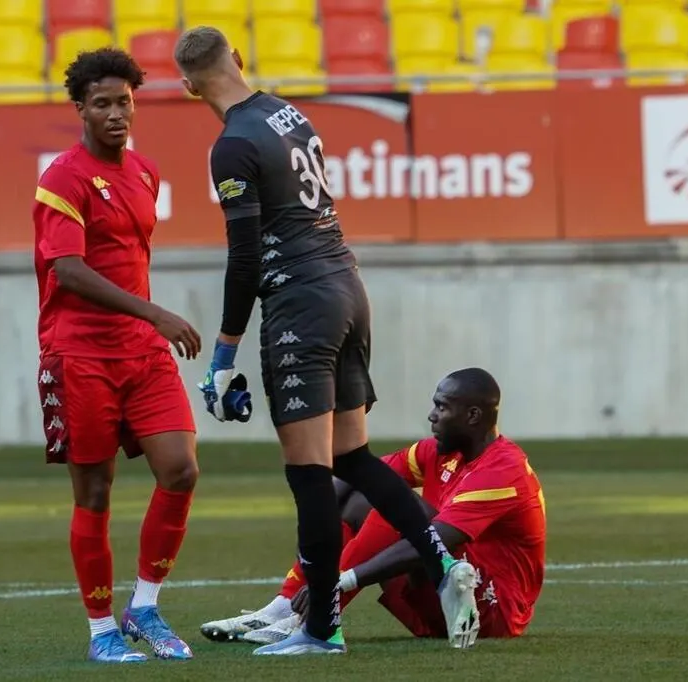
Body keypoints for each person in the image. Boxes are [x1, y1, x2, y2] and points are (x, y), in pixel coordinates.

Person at [173, 27, 480, 655]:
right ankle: (446, 566)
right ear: (237, 59)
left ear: (186, 87)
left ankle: (321, 629)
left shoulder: (231, 145)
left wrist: (225, 353)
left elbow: (245, 256)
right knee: (353, 461)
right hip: (347, 286)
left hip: (300, 307)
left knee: (309, 472)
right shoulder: (291, 115)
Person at [33, 47, 203, 664]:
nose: (115, 114)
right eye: (101, 103)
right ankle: (102, 629)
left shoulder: (145, 173)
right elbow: (70, 271)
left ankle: (147, 605)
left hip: (141, 352)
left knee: (181, 469)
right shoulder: (63, 178)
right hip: (79, 354)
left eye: (124, 102)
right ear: (79, 108)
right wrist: (155, 312)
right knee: (96, 495)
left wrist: (148, 324)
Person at [200, 369, 546, 648]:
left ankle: (320, 617)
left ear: (472, 415)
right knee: (363, 495)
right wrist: (314, 534)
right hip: (441, 594)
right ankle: (283, 609)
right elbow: (356, 477)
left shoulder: (505, 468)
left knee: (394, 505)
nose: (432, 415)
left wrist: (339, 581)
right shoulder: (439, 452)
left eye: (442, 407)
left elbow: (436, 539)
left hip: (489, 610)